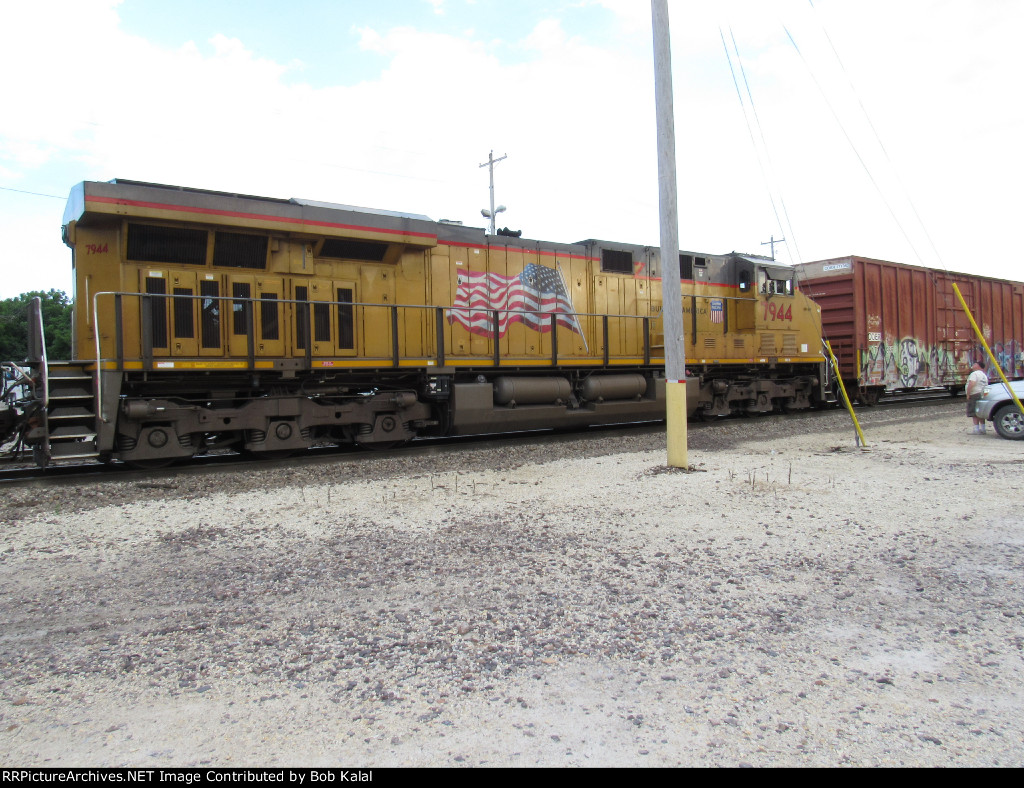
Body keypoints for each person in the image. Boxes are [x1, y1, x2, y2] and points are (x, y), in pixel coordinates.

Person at [965, 360, 989, 434]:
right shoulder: (984, 375)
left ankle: (976, 429)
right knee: (980, 412)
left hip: (974, 394)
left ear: (978, 366)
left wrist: (968, 394)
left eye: (975, 364)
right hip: (982, 394)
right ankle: (983, 428)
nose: (973, 365)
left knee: (974, 412)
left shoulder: (974, 374)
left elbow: (972, 383)